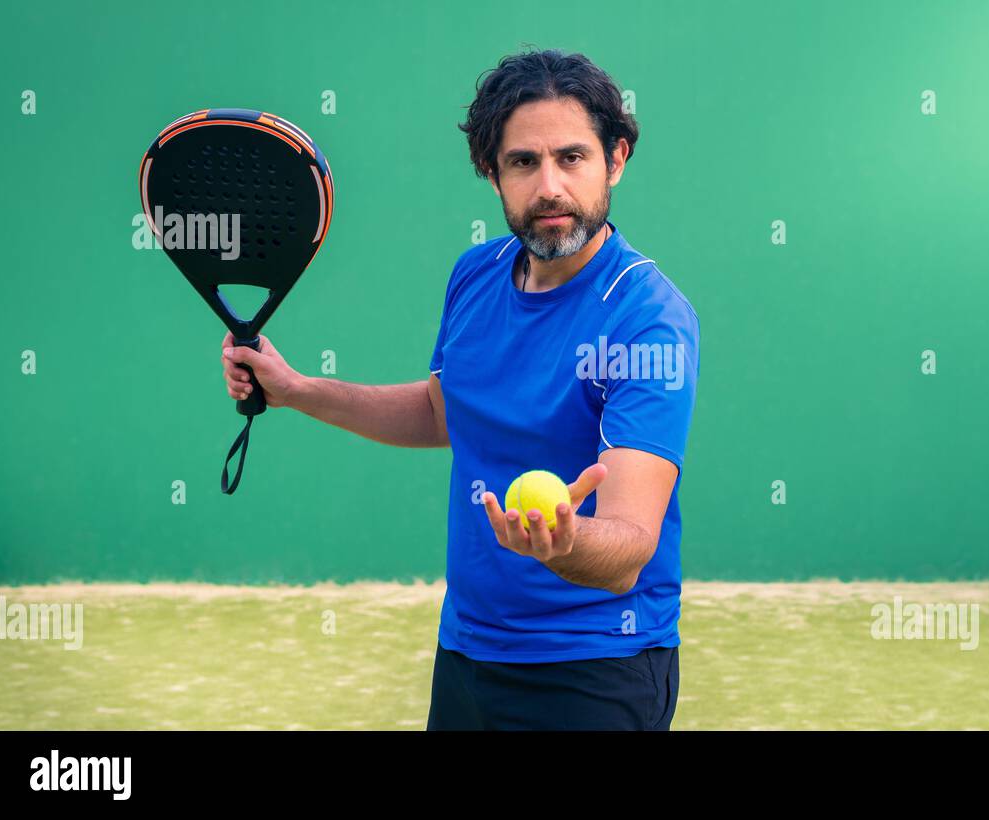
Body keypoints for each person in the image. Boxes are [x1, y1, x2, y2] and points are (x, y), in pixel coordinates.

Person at [219, 48, 700, 730]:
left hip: (597, 667)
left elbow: (627, 549)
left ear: (615, 159)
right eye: (523, 163)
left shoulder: (647, 319)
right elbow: (440, 411)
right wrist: (295, 389)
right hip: (469, 655)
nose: (550, 188)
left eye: (573, 158)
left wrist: (561, 542)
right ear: (491, 172)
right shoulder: (476, 276)